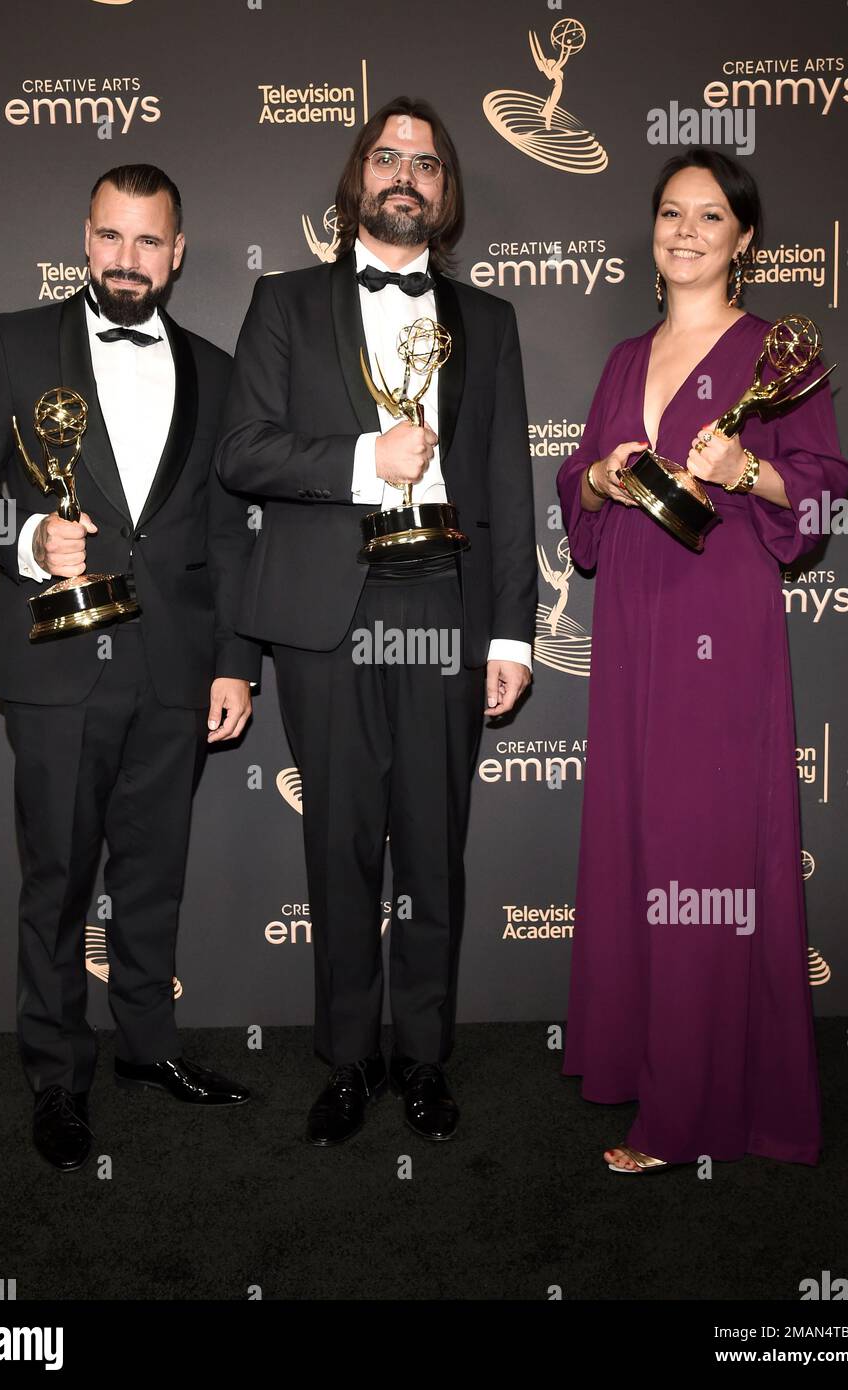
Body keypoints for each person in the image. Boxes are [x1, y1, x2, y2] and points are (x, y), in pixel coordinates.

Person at [216, 96, 536, 1146]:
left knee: (435, 849)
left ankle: (424, 1058)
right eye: (388, 155)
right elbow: (245, 452)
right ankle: (348, 1059)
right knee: (342, 848)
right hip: (326, 614)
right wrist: (363, 462)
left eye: (427, 162)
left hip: (443, 601)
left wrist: (508, 631)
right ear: (357, 177)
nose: (406, 173)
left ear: (445, 193)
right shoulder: (285, 303)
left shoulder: (487, 321)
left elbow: (500, 478)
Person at [0, 164, 261, 1171]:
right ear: (86, 239)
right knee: (57, 881)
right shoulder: (12, 341)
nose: (129, 259)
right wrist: (32, 538)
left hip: (175, 667)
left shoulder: (215, 367)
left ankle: (147, 1048)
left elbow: (229, 531)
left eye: (149, 241)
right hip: (58, 663)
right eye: (112, 237)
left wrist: (236, 661)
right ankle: (55, 1073)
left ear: (177, 252)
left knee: (153, 877)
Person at [556, 149, 848, 1173]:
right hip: (635, 621)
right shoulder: (622, 361)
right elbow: (583, 502)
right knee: (641, 847)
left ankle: (685, 1122)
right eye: (671, 213)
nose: (686, 230)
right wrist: (593, 477)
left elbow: (819, 490)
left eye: (710, 216)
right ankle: (649, 1065)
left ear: (743, 240)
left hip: (718, 628)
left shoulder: (776, 352)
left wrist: (750, 469)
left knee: (699, 858)